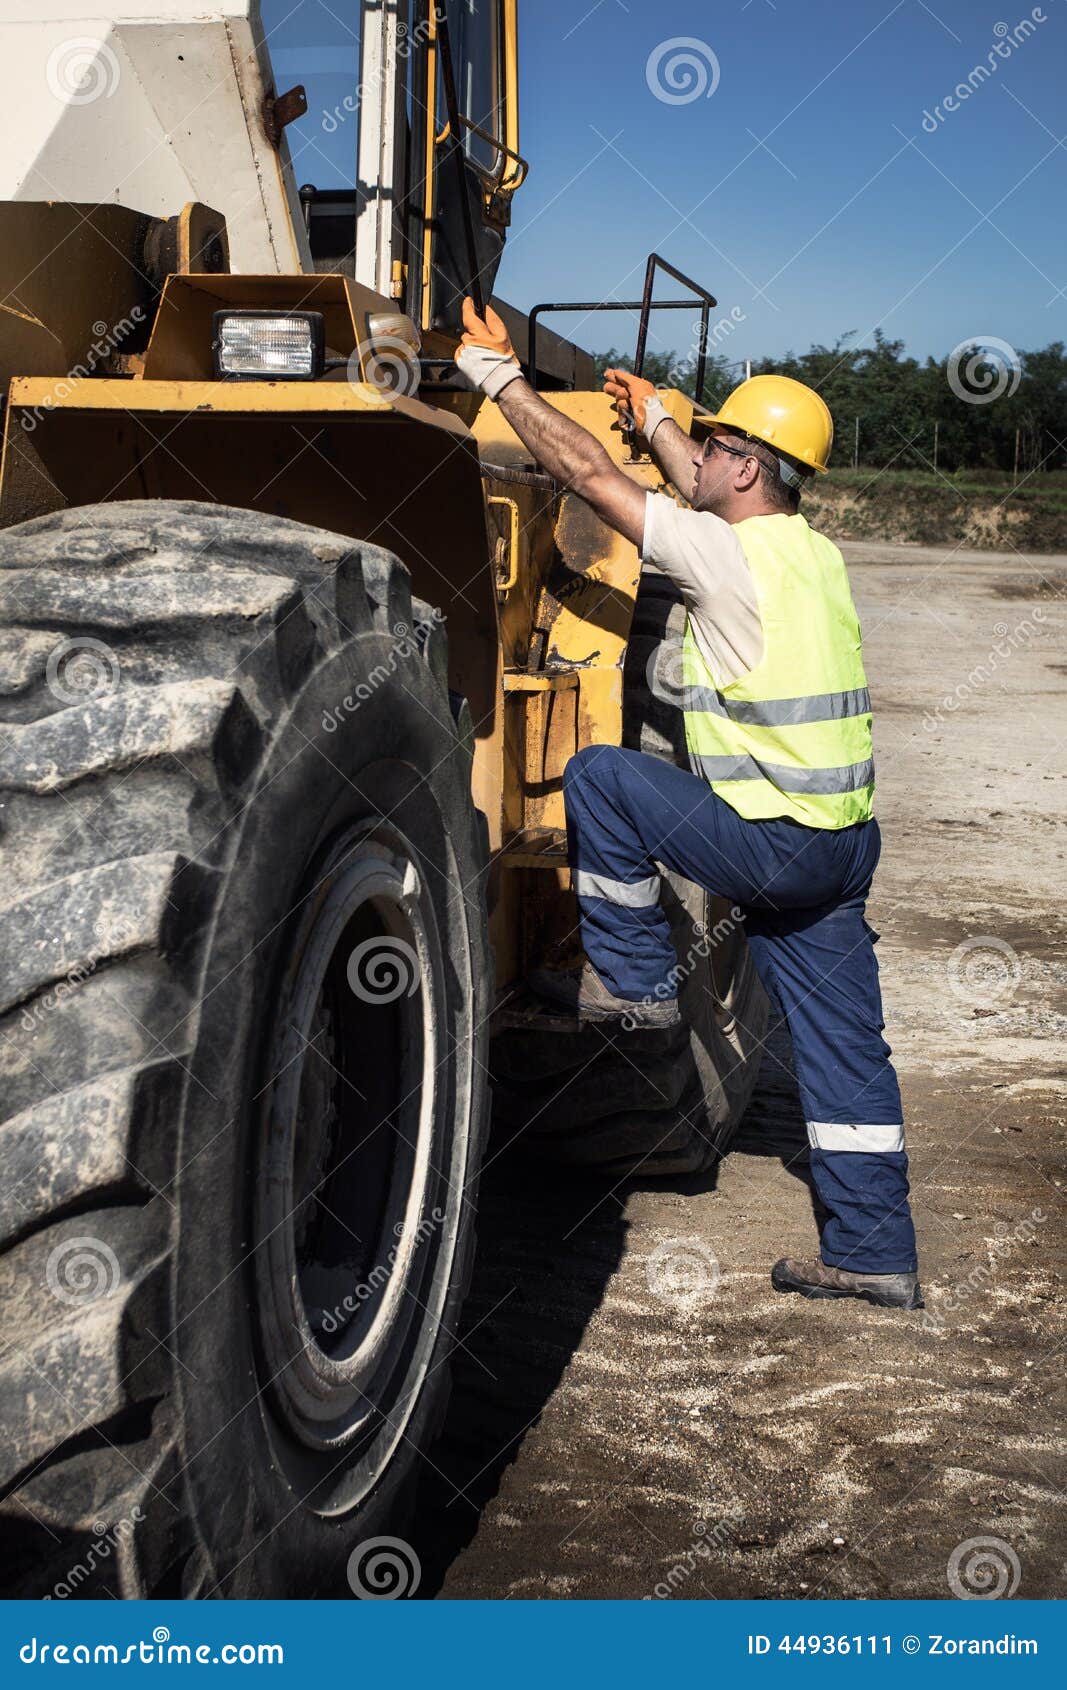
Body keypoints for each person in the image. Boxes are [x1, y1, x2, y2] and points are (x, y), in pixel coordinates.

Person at [456, 300, 922, 1311]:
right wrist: (660, 415)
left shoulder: (723, 557)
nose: (697, 458)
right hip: (842, 847)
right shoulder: (806, 551)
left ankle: (637, 991)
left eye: (714, 446)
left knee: (599, 778)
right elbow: (698, 490)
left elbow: (591, 476)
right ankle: (874, 1252)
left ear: (746, 468)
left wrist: (498, 378)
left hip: (774, 843)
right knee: (845, 1052)